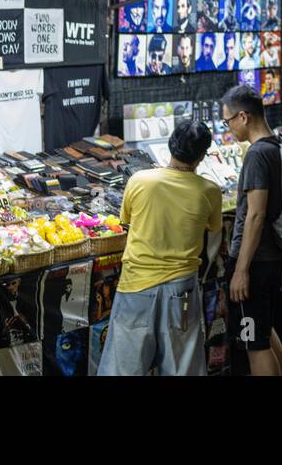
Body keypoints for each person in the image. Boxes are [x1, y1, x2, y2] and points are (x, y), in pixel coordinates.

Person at [98, 120, 222, 375]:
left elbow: (127, 220)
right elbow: (212, 227)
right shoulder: (209, 191)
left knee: (122, 367)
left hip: (136, 286)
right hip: (182, 292)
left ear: (170, 147)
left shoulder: (140, 180)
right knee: (182, 366)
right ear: (201, 155)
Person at [222, 85, 282, 376]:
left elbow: (256, 215)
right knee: (263, 329)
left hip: (255, 260)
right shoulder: (277, 145)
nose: (229, 127)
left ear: (244, 117)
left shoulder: (257, 154)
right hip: (271, 257)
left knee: (254, 343)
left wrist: (241, 269)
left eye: (228, 121)